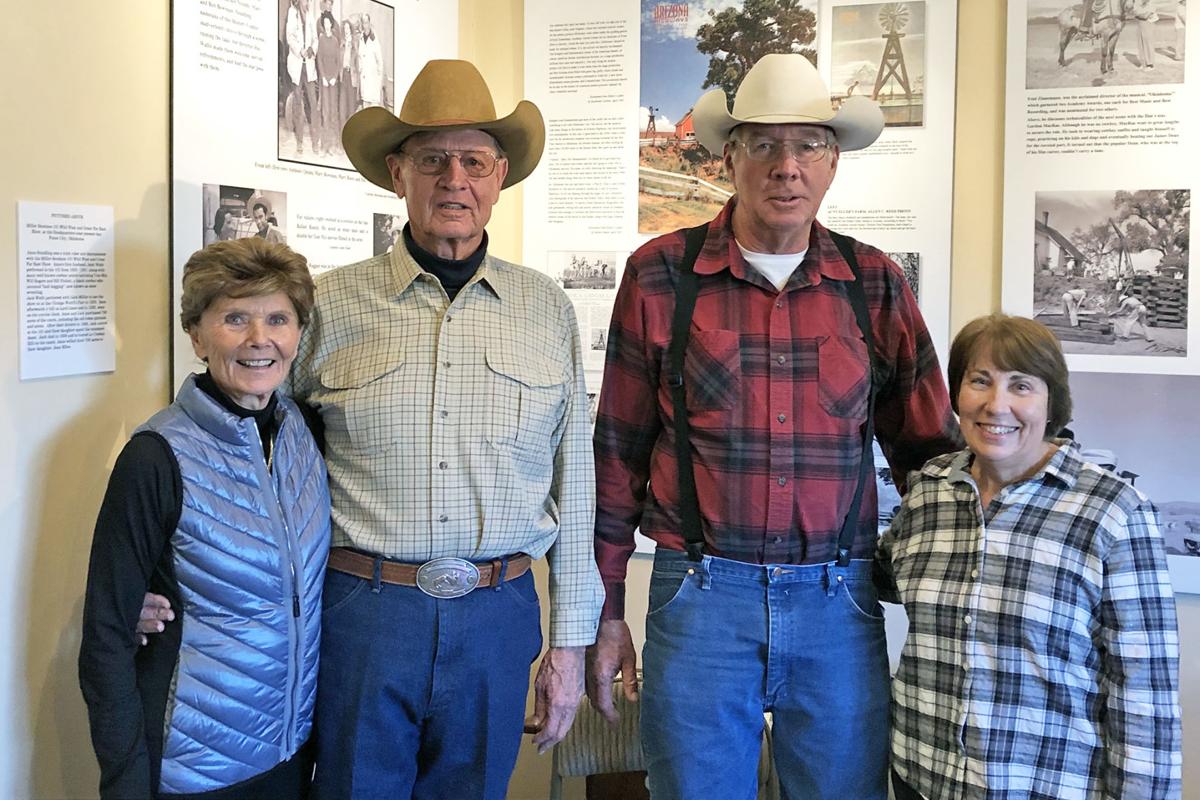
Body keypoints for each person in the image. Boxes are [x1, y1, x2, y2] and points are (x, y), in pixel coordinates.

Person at [587, 53, 960, 800]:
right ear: (729, 157)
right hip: (698, 601)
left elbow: (931, 460)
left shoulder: (876, 282)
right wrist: (604, 612)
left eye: (809, 145)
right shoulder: (660, 274)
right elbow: (619, 454)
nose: (786, 166)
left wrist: (949, 604)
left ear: (833, 162)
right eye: (763, 144)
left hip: (839, 600)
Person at [301, 59, 598, 798]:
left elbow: (578, 487)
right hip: (362, 615)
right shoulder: (327, 306)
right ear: (398, 173)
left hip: (498, 619)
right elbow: (273, 463)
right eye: (433, 160)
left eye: (473, 160)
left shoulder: (547, 310)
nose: (453, 179)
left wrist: (569, 643)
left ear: (500, 176)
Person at [877, 314, 1181, 799]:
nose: (997, 405)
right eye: (980, 381)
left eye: (1021, 385)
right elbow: (880, 580)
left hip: (1041, 783)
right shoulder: (929, 491)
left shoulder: (1112, 510)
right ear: (957, 394)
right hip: (921, 775)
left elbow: (1144, 695)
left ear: (1052, 400)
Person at [79, 238, 331, 799]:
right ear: (196, 335)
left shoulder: (306, 435)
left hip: (291, 753)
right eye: (234, 317)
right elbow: (106, 635)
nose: (258, 339)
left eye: (277, 318)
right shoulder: (155, 456)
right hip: (193, 766)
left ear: (297, 334)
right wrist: (125, 784)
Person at [285, 0, 318, 155]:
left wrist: (311, 49)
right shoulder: (292, 12)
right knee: (298, 104)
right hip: (297, 64)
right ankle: (299, 142)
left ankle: (315, 142)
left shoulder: (310, 15)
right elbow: (289, 36)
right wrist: (300, 50)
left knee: (312, 103)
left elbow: (315, 39)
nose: (306, 1)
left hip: (309, 66)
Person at [315, 12, 341, 155]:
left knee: (332, 112)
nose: (326, 25)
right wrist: (324, 77)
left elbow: (338, 62)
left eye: (328, 23)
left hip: (333, 82)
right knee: (325, 113)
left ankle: (331, 146)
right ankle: (324, 147)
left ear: (331, 24)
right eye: (324, 23)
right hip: (325, 82)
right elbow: (319, 60)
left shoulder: (336, 41)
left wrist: (334, 77)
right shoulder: (321, 39)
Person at [356, 13, 383, 109]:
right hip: (364, 78)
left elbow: (379, 60)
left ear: (369, 23)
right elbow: (360, 57)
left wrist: (378, 79)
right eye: (363, 23)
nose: (365, 25)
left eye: (367, 22)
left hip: (373, 79)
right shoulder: (361, 38)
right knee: (365, 107)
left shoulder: (374, 38)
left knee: (374, 107)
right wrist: (360, 68)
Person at [1135, 0, 1158, 69]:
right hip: (1140, 25)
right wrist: (1140, 15)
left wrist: (1139, 15)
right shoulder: (1139, 4)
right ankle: (1143, 63)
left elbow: (1145, 16)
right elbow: (1135, 14)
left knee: (1148, 45)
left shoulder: (1152, 4)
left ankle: (1150, 64)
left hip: (1149, 25)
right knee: (1141, 45)